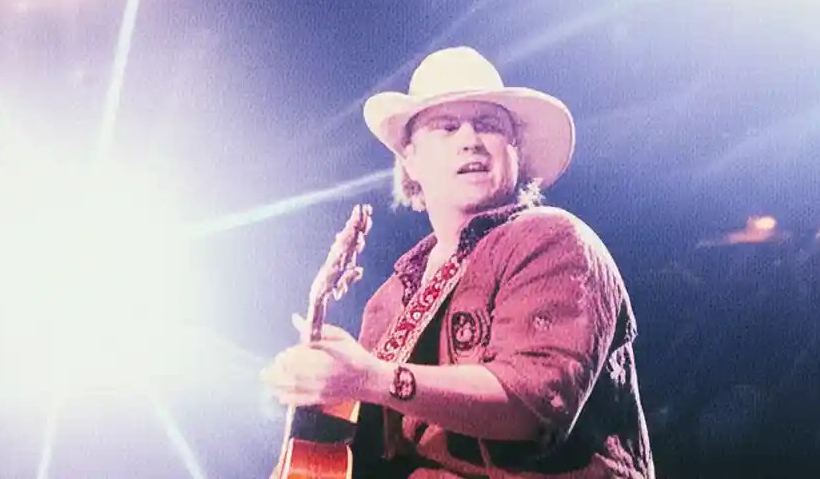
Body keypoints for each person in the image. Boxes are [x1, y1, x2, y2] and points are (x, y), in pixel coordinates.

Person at [262, 46, 653, 477]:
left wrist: (371, 377)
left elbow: (533, 406)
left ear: (514, 149)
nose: (470, 139)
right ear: (410, 159)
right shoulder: (388, 302)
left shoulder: (552, 238)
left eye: (488, 125)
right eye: (447, 127)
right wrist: (323, 384)